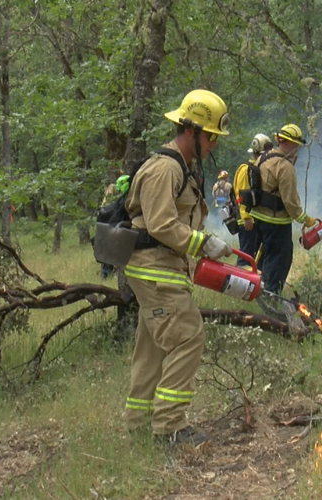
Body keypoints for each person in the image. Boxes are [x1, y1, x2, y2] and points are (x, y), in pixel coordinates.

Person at [122, 89, 232, 446]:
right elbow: (161, 225)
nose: (214, 144)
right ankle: (169, 428)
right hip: (155, 269)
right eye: (211, 136)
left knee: (153, 347)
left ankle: (138, 424)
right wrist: (203, 243)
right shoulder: (164, 168)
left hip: (162, 268)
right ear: (191, 131)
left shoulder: (179, 167)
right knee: (187, 337)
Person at [250, 124, 317, 295]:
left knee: (262, 258)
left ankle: (258, 289)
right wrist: (304, 219)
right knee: (280, 259)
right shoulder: (285, 167)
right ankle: (271, 295)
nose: (296, 150)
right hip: (277, 222)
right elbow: (290, 200)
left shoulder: (262, 158)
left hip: (258, 218)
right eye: (295, 145)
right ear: (285, 142)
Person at [232, 133, 271, 266]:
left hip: (253, 218)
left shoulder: (256, 169)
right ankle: (241, 282)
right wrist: (246, 217)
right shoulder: (246, 169)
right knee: (246, 255)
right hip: (246, 220)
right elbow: (241, 195)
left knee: (254, 254)